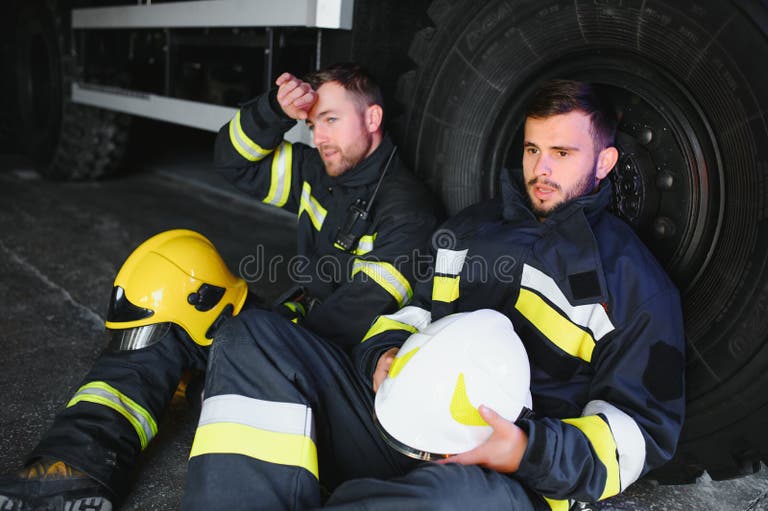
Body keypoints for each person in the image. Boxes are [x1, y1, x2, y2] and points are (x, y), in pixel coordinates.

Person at [181, 79, 685, 510]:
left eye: (562, 153)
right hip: (394, 417)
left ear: (605, 162)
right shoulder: (469, 228)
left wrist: (526, 450)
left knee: (454, 504)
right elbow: (409, 311)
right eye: (533, 150)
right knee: (252, 336)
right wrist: (380, 355)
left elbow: (639, 433)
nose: (541, 169)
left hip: (499, 475)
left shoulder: (635, 284)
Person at [0, 63, 440, 510]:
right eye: (312, 124)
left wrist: (259, 335)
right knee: (173, 273)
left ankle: (203, 377)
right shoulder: (321, 172)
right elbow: (233, 164)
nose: (319, 137)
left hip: (342, 372)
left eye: (330, 120)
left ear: (372, 119)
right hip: (299, 332)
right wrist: (274, 110)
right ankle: (72, 466)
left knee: (241, 334)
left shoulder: (407, 212)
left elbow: (349, 321)